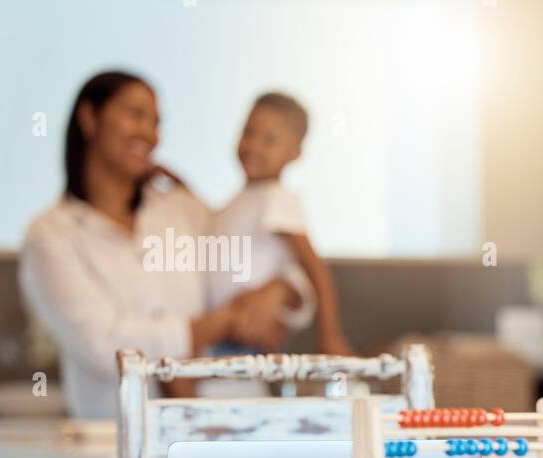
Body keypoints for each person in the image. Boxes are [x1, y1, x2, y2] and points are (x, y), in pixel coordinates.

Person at [19, 71, 307, 419]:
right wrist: (221, 323)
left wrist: (279, 291)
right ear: (89, 118)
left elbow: (269, 259)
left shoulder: (183, 211)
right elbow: (104, 347)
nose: (149, 133)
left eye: (156, 122)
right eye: (135, 115)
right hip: (120, 442)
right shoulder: (51, 236)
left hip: (230, 424)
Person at [205, 91, 352, 359]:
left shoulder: (277, 198)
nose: (253, 146)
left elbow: (315, 267)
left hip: (245, 337)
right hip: (221, 336)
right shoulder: (239, 201)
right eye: (248, 133)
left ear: (294, 153)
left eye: (268, 140)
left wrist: (329, 335)